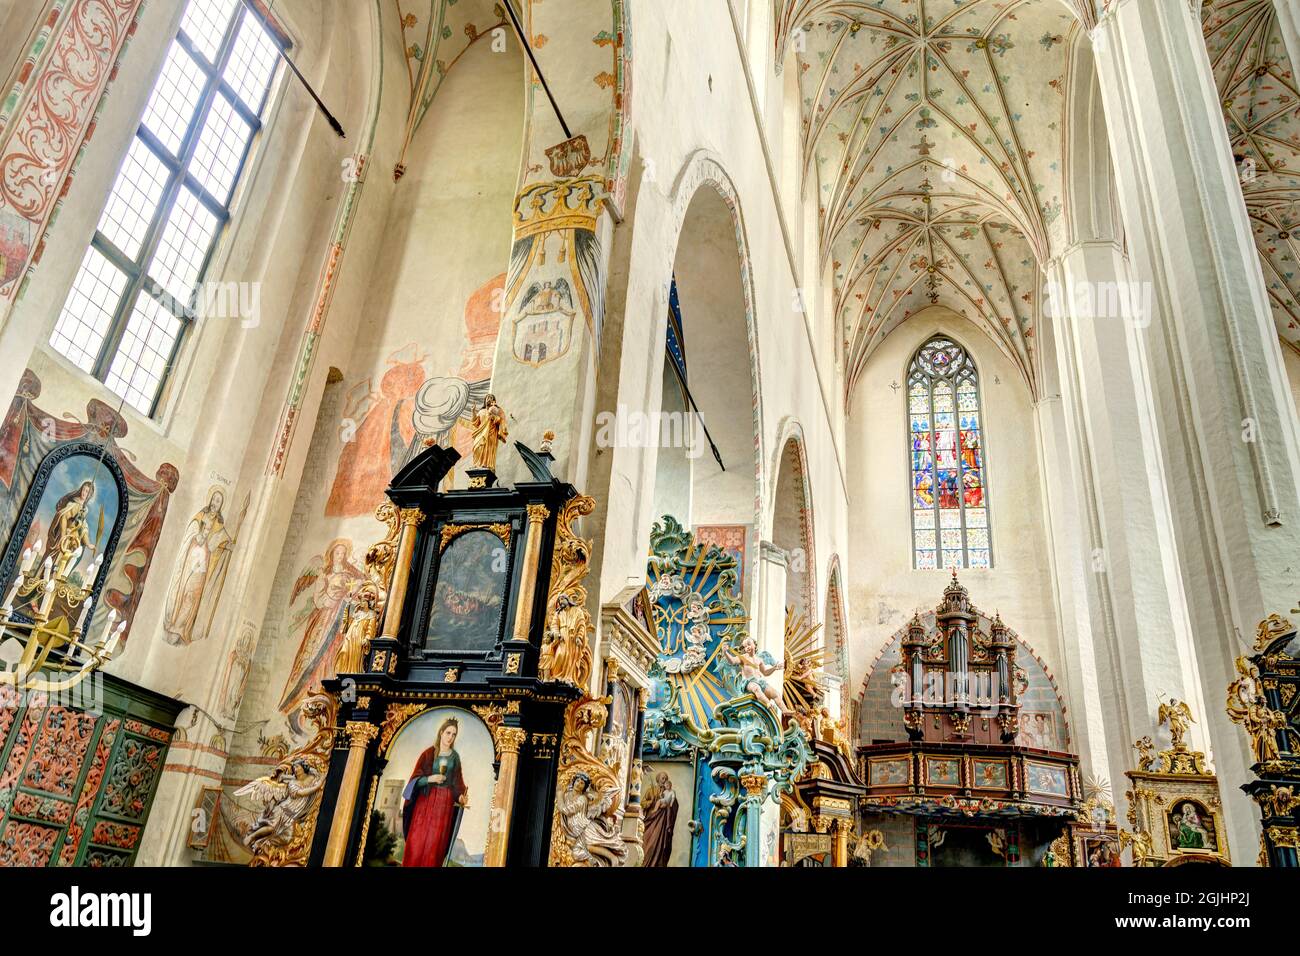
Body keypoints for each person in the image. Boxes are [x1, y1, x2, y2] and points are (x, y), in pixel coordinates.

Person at [402, 718, 469, 867]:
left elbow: (457, 783)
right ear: (441, 733)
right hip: (424, 803)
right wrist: (429, 779)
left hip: (443, 806)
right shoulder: (428, 754)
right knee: (417, 842)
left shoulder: (455, 757)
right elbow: (414, 781)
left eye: (453, 734)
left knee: (434, 844)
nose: (450, 737)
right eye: (448, 733)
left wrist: (460, 796)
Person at [641, 772, 678, 867]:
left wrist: (669, 806)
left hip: (663, 824)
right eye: (663, 778)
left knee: (661, 847)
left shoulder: (669, 792)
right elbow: (643, 803)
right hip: (651, 821)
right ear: (658, 780)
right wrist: (650, 802)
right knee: (649, 847)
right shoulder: (651, 790)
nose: (664, 780)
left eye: (666, 779)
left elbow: (674, 804)